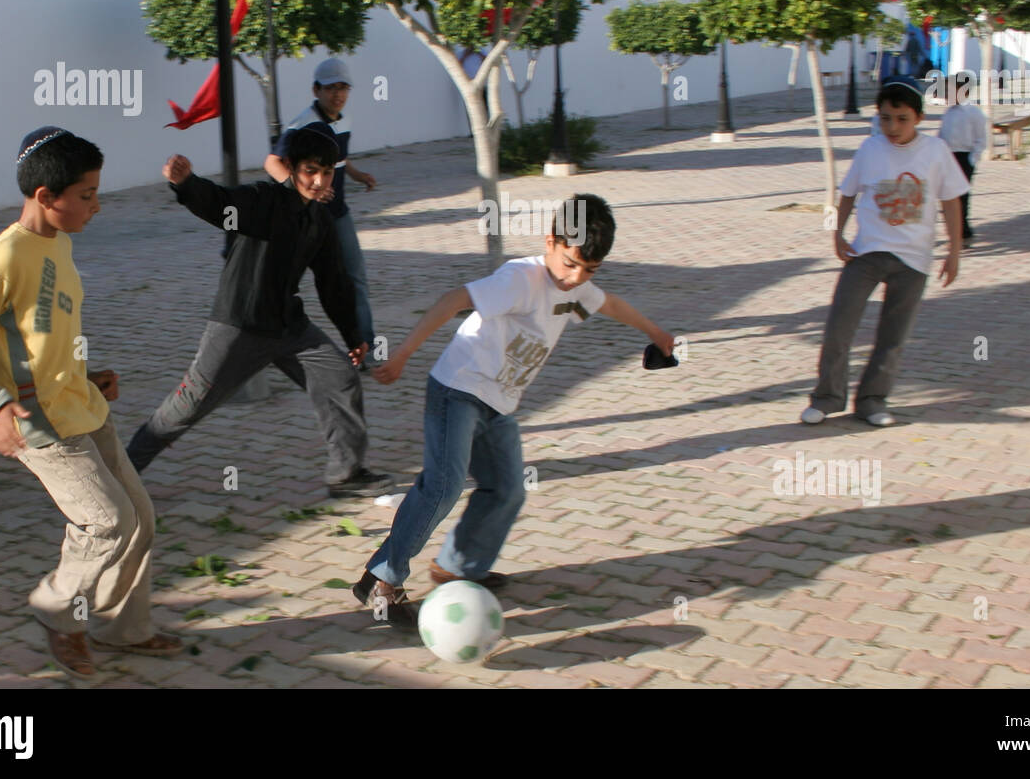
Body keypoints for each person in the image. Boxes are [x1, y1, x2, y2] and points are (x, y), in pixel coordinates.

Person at [352, 194, 675, 626]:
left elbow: (610, 304)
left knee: (507, 489)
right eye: (568, 262)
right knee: (444, 486)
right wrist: (403, 354)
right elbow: (453, 299)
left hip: (498, 404)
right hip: (458, 389)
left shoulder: (576, 290)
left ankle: (457, 568)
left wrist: (658, 333)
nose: (575, 276)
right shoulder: (521, 278)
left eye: (589, 270)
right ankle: (381, 580)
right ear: (550, 242)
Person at [0, 127, 181, 679]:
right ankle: (56, 610)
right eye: (86, 195)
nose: (96, 206)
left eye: (95, 192)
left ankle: (124, 629)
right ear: (47, 197)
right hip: (38, 422)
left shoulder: (58, 243)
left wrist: (86, 374)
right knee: (107, 522)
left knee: (140, 517)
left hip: (82, 406)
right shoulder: (5, 257)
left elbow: (39, 331)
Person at [125, 126, 390, 497]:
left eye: (327, 172)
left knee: (339, 376)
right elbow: (220, 203)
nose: (318, 181)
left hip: (288, 327)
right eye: (311, 170)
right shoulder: (263, 200)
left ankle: (346, 474)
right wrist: (186, 184)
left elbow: (333, 282)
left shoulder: (319, 219)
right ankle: (120, 473)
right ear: (292, 167)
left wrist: (354, 336)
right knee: (186, 407)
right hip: (239, 326)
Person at [801, 78, 969, 428]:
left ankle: (872, 401)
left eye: (901, 118)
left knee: (893, 336)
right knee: (839, 328)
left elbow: (951, 201)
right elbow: (847, 193)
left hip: (914, 259)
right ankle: (827, 398)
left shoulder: (936, 151)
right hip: (867, 253)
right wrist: (837, 234)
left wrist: (954, 252)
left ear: (919, 118)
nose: (892, 127)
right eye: (885, 118)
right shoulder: (869, 148)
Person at [265, 58, 377, 363]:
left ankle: (365, 350)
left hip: (337, 214)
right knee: (288, 283)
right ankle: (268, 348)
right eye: (330, 88)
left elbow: (336, 159)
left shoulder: (344, 119)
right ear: (316, 90)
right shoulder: (302, 125)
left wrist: (356, 174)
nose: (337, 94)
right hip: (307, 217)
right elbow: (272, 163)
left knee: (355, 279)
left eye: (343, 88)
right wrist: (303, 188)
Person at [938, 92, 989, 243]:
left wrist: (972, 160)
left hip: (964, 157)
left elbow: (981, 139)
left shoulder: (974, 113)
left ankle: (963, 232)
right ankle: (952, 230)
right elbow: (941, 135)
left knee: (962, 196)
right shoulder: (948, 113)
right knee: (947, 195)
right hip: (948, 156)